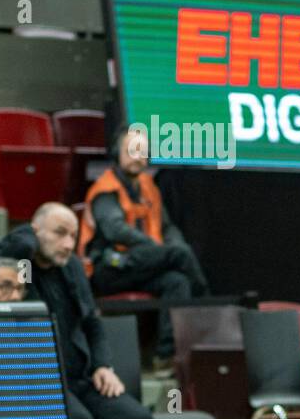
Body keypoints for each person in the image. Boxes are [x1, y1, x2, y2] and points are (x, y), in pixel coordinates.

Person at [0, 204, 154, 419]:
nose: (68, 244)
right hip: (35, 379)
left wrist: (103, 365)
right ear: (34, 233)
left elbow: (92, 323)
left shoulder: (71, 266)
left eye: (73, 236)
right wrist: (30, 239)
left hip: (79, 376)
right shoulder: (14, 262)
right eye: (60, 234)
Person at [78, 128, 210, 368]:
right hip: (109, 268)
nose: (137, 157)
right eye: (131, 151)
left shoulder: (149, 186)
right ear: (118, 153)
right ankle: (207, 308)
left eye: (142, 153)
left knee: (177, 282)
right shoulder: (105, 189)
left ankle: (166, 355)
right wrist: (156, 249)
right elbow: (115, 230)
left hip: (140, 265)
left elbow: (167, 227)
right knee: (178, 255)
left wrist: (171, 245)